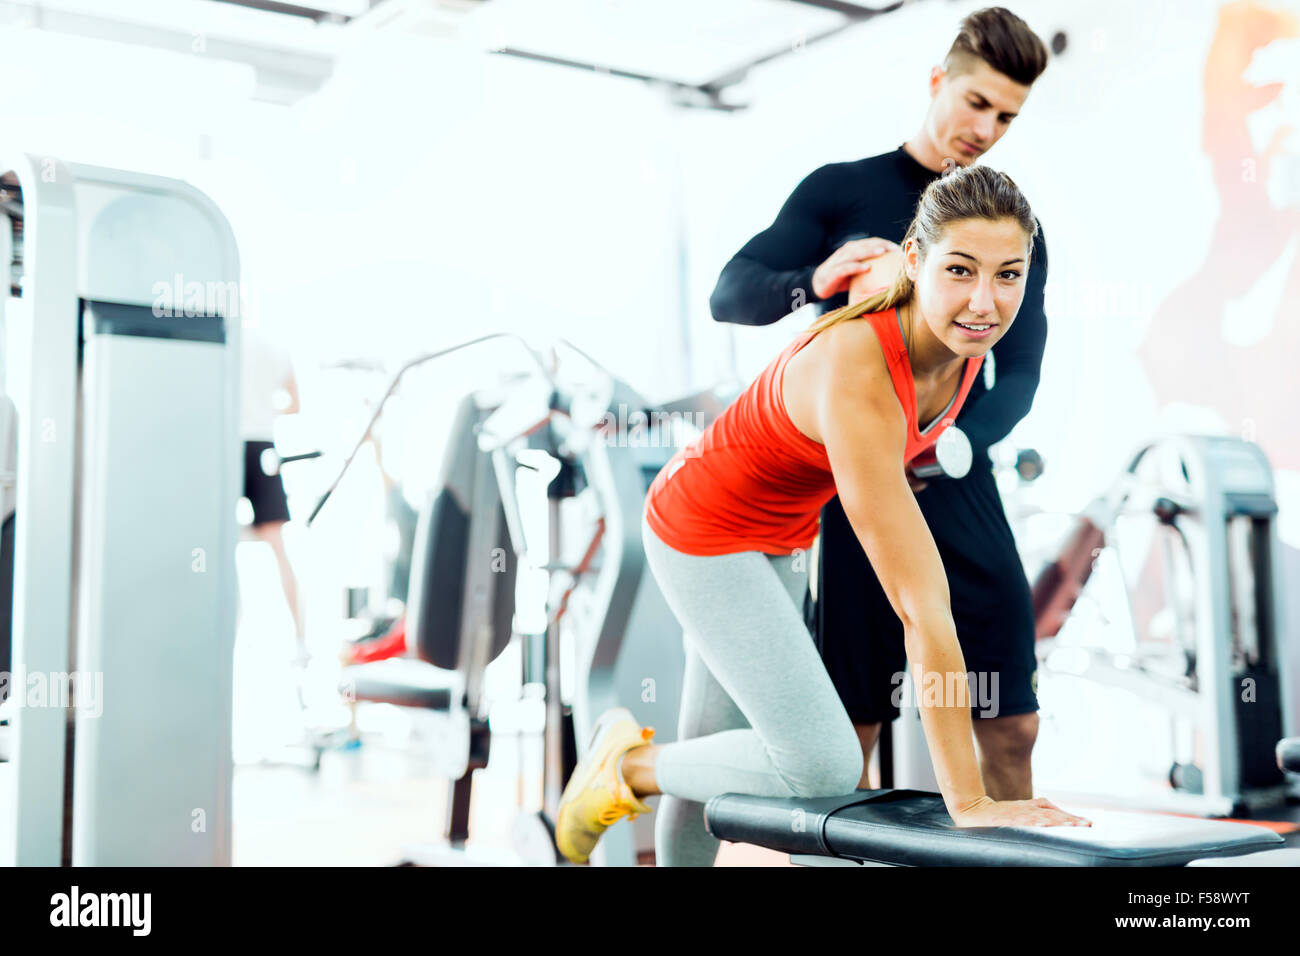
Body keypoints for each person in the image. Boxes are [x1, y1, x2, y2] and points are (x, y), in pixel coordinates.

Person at [555, 165, 1091, 866]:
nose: (985, 301)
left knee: (710, 746)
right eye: (960, 270)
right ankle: (624, 769)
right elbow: (924, 609)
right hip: (703, 532)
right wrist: (971, 803)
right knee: (821, 767)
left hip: (781, 537)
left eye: (1008, 274)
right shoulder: (859, 367)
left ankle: (644, 785)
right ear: (915, 261)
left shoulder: (957, 348)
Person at [709, 7, 1052, 801]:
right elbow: (731, 293)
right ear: (937, 82)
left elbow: (1024, 373)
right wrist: (815, 280)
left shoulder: (1016, 227)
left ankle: (1014, 848)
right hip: (855, 475)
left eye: (1007, 115)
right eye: (975, 102)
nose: (987, 127)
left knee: (1010, 717)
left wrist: (947, 444)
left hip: (954, 475)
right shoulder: (843, 190)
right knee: (854, 720)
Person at [239, 324, 307, 664]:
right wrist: (267, 411)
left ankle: (230, 638)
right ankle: (301, 641)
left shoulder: (227, 341)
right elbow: (295, 404)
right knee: (279, 547)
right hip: (263, 447)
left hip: (230, 442)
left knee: (218, 548)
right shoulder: (274, 349)